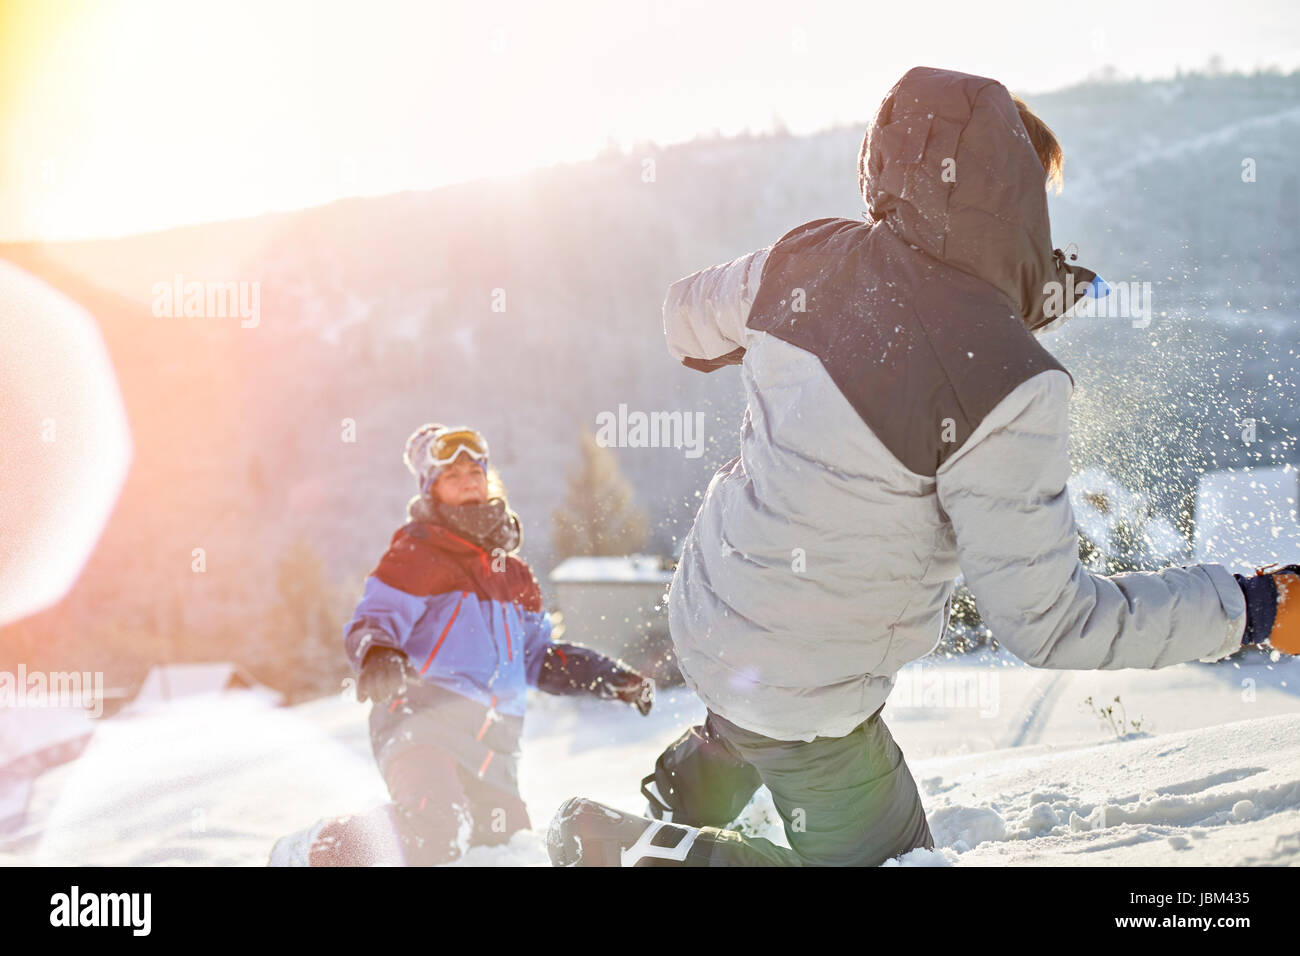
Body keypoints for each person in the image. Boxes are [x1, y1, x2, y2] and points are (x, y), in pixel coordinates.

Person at [547, 65, 1300, 867]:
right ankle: (663, 854)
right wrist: (1252, 607)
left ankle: (705, 774)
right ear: (1015, 197)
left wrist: (797, 322)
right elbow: (1052, 621)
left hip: (712, 609)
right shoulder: (1013, 382)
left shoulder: (808, 256)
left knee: (772, 681)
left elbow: (684, 319)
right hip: (812, 684)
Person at [271, 423, 654, 866]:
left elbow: (539, 657)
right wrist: (378, 654)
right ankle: (311, 852)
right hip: (421, 719)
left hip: (494, 740)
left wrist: (608, 677)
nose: (468, 481)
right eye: (452, 476)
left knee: (501, 848)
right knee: (437, 829)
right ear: (432, 491)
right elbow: (374, 620)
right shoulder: (417, 554)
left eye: (475, 472)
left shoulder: (514, 574)